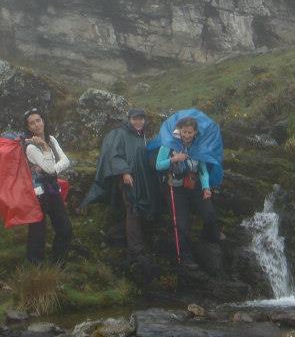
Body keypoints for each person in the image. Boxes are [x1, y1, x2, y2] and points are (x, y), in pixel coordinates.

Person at [80, 108, 162, 269]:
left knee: (138, 209)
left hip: (140, 180)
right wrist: (124, 171)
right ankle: (136, 250)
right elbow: (115, 155)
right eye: (135, 119)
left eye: (141, 119)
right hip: (127, 179)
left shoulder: (142, 136)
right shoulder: (121, 133)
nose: (138, 121)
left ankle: (116, 235)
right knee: (133, 210)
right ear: (129, 119)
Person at [154, 117, 221, 268]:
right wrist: (174, 159)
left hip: (194, 185)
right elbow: (158, 165)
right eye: (184, 132)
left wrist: (206, 187)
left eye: (190, 132)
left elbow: (202, 169)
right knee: (181, 224)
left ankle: (207, 238)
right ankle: (185, 258)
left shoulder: (198, 147)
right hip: (175, 187)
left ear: (195, 132)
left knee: (209, 214)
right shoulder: (169, 144)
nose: (187, 135)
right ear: (179, 130)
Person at [22, 107, 72, 265]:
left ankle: (58, 263)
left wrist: (51, 168)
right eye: (32, 123)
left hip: (52, 188)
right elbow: (51, 168)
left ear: (43, 121)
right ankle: (35, 266)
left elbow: (65, 161)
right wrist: (44, 150)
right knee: (37, 231)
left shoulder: (51, 139)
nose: (36, 125)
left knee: (64, 228)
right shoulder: (30, 147)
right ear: (29, 128)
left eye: (38, 120)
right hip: (38, 193)